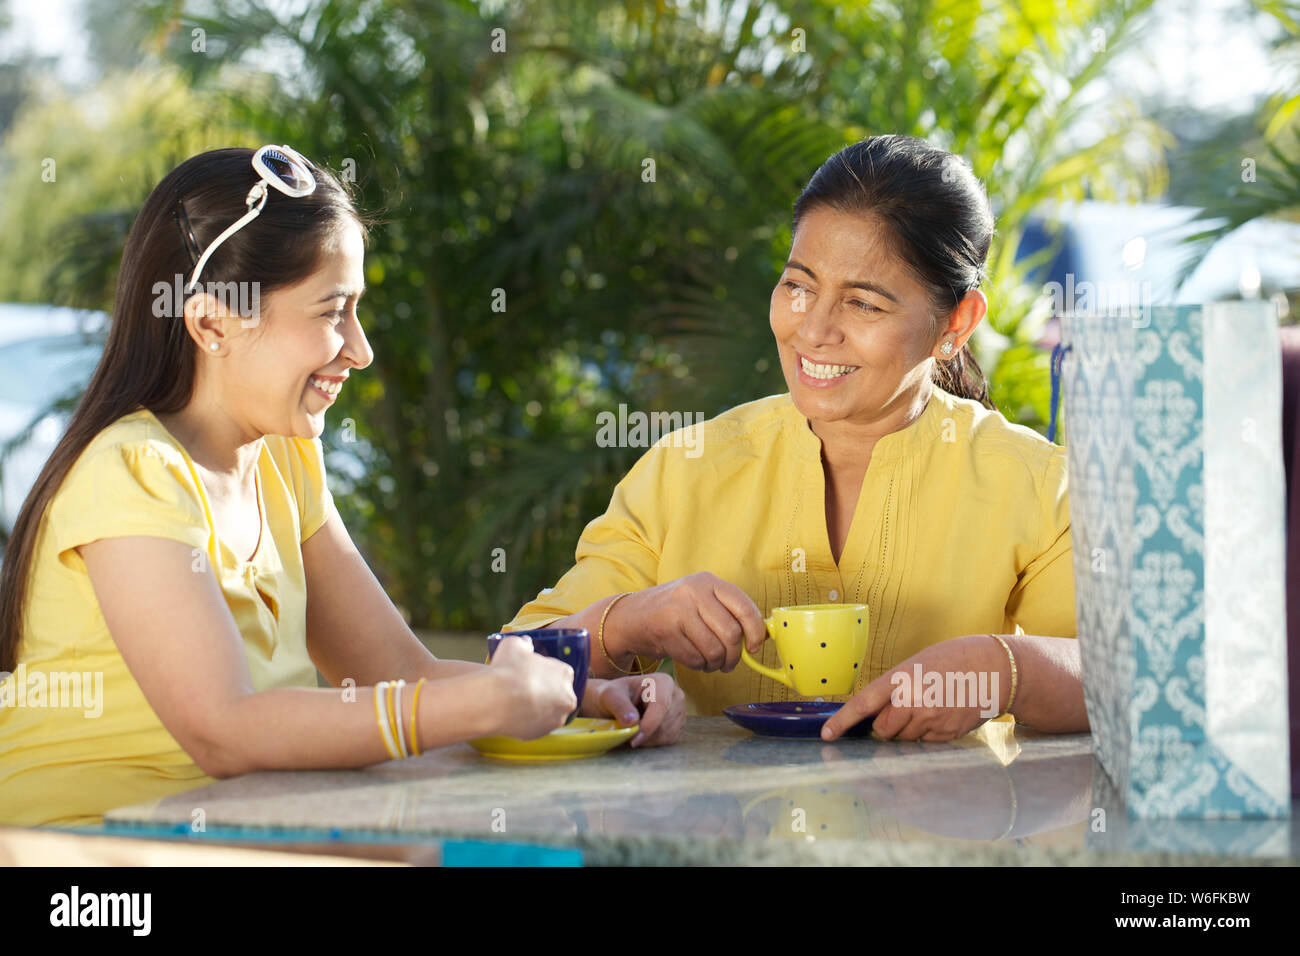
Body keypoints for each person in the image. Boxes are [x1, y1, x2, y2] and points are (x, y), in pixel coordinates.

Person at [0, 146, 684, 828]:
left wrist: (583, 695)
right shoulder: (132, 471)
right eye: (333, 313)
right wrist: (482, 704)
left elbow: (394, 672)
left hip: (232, 838)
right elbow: (222, 728)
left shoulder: (284, 462)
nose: (361, 350)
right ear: (212, 322)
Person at [503, 134, 1087, 743]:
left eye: (863, 304)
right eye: (798, 285)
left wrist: (1001, 670)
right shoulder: (686, 470)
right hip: (718, 837)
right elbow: (511, 665)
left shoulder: (1037, 485)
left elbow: (1125, 681)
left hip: (948, 837)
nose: (813, 329)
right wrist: (626, 625)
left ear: (956, 322)